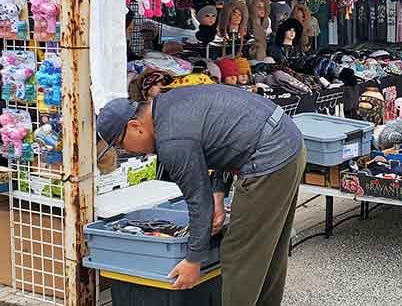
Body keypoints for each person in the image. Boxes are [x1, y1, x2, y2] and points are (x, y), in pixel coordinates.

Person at [96, 85, 306, 306]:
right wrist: (218, 192)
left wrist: (193, 260)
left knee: (238, 252)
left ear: (135, 126)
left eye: (121, 144)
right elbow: (223, 137)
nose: (127, 151)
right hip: (288, 142)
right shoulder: (167, 104)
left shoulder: (171, 141)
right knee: (266, 249)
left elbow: (198, 202)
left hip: (270, 157)